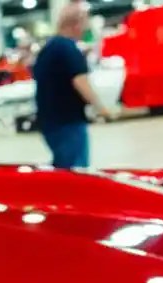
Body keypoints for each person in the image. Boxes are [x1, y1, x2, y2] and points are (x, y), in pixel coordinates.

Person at [32, 2, 115, 169]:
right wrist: (102, 109)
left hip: (50, 123)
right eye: (85, 23)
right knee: (76, 171)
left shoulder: (48, 48)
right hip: (68, 123)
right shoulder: (68, 49)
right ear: (76, 24)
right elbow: (80, 81)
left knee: (63, 168)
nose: (85, 28)